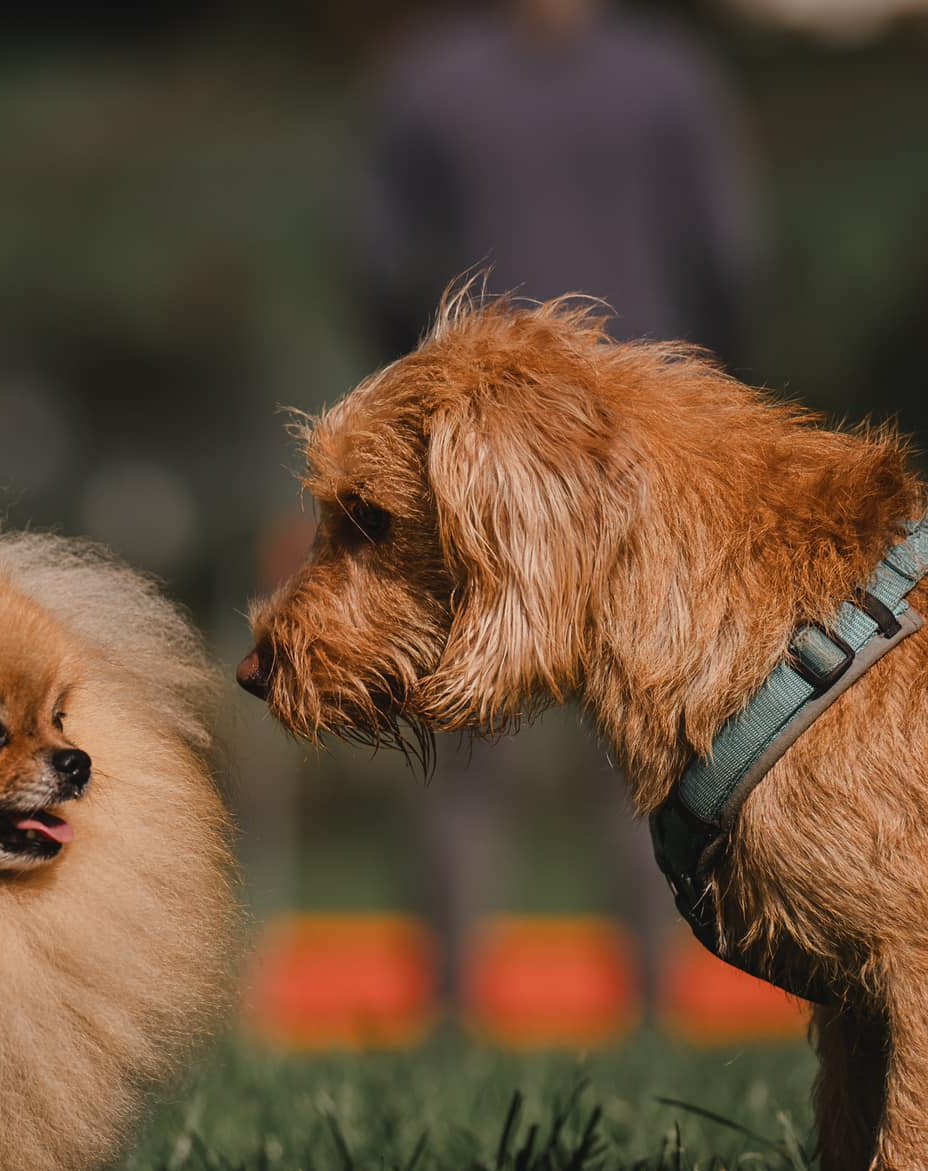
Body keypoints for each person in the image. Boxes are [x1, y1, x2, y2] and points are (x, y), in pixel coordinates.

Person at [347, 0, 763, 1011]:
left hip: (477, 470)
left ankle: (456, 1008)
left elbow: (376, 264)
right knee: (647, 743)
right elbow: (728, 262)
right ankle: (658, 1005)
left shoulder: (430, 78)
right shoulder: (667, 75)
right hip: (628, 465)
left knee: (466, 743)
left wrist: (425, 397)